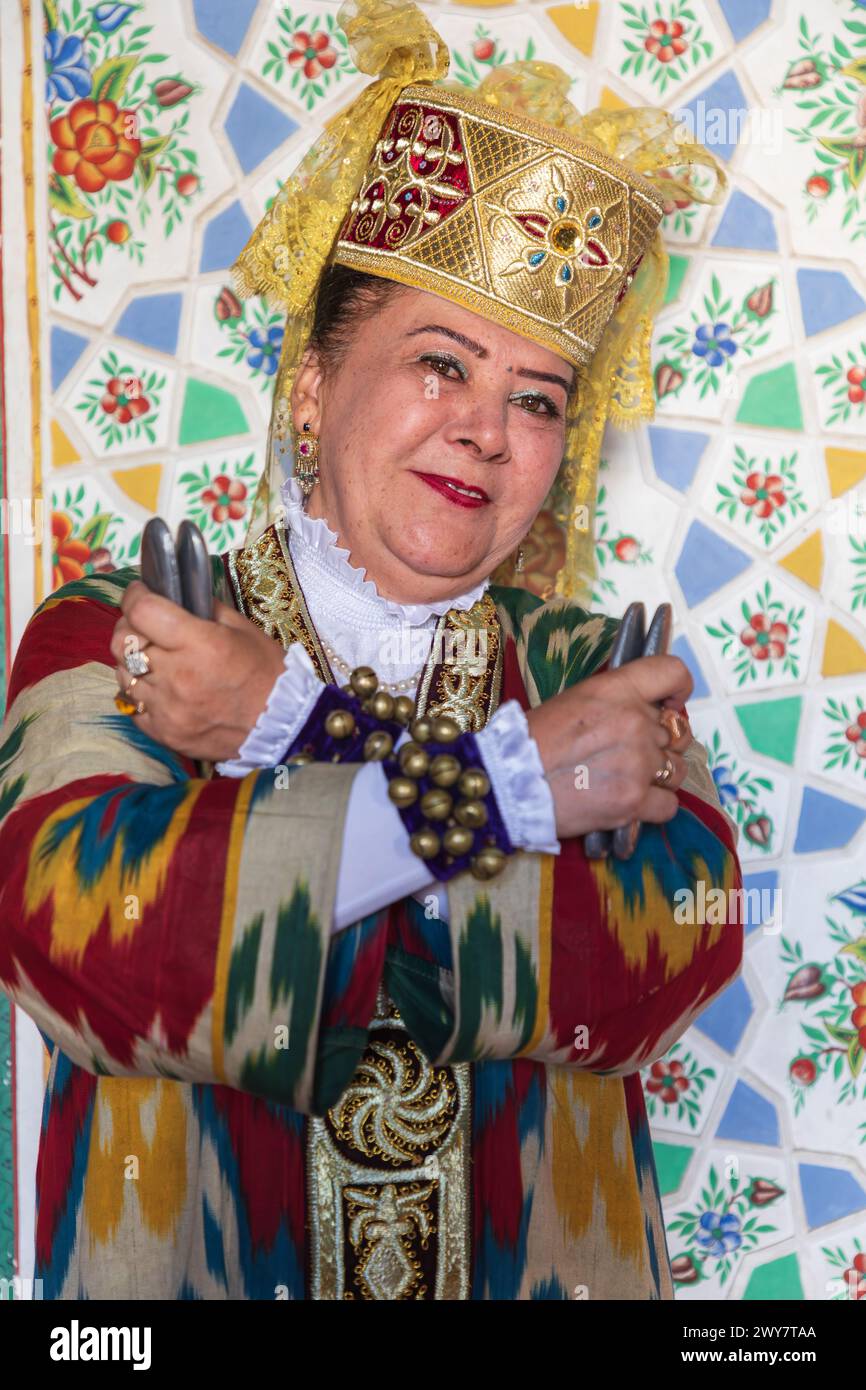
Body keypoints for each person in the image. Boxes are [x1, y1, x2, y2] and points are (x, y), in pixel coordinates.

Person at [0, 0, 742, 1300]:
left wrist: (287, 732)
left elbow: (682, 937)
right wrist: (511, 793)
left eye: (535, 398)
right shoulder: (120, 631)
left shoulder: (586, 670)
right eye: (439, 363)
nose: (485, 431)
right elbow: (90, 943)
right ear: (311, 384)